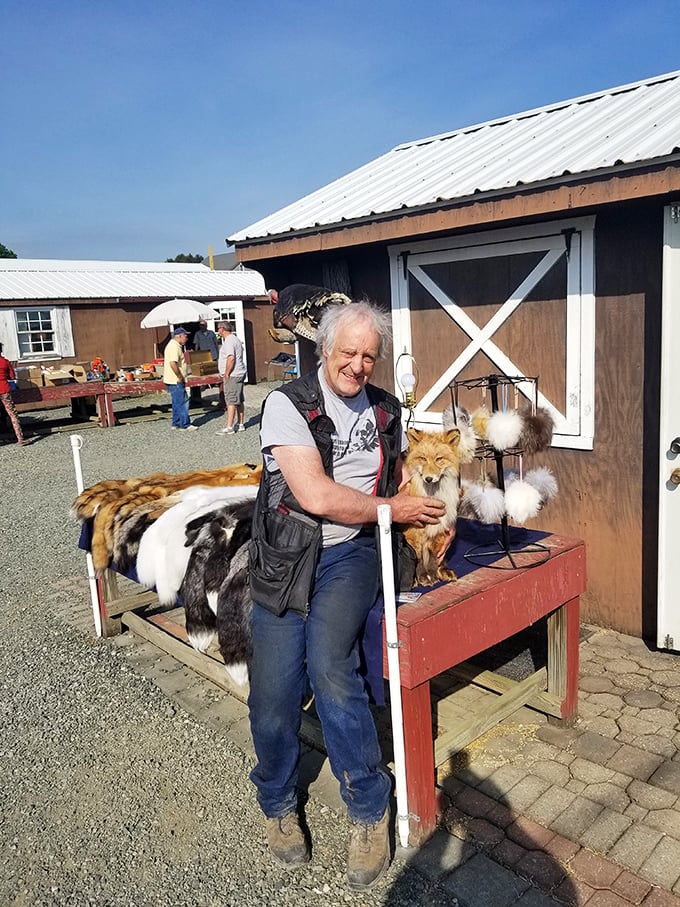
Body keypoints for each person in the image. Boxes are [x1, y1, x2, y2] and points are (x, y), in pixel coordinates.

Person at [247, 300, 447, 890]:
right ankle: (278, 799)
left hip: (353, 553)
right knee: (274, 690)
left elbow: (406, 479)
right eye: (348, 353)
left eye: (369, 356)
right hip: (287, 556)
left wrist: (434, 507)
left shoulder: (387, 410)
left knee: (331, 666)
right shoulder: (288, 404)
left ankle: (368, 807)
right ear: (323, 350)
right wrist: (397, 507)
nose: (358, 366)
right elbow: (314, 495)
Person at [162, 327, 197, 431]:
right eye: (185, 336)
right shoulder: (174, 347)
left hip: (171, 379)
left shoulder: (175, 345)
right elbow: (173, 363)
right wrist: (180, 376)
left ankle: (176, 422)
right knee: (183, 401)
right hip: (175, 379)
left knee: (177, 401)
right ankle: (185, 424)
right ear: (179, 336)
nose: (186, 338)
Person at [215, 321, 247, 434]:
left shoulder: (229, 341)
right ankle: (241, 423)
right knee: (239, 399)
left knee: (231, 400)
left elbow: (231, 358)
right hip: (239, 373)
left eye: (218, 329)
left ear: (222, 329)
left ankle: (229, 427)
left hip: (233, 374)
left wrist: (227, 373)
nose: (218, 331)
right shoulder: (235, 339)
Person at [0, 342, 30, 446]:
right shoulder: (5, 362)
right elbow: (12, 377)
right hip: (4, 390)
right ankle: (20, 439)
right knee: (12, 414)